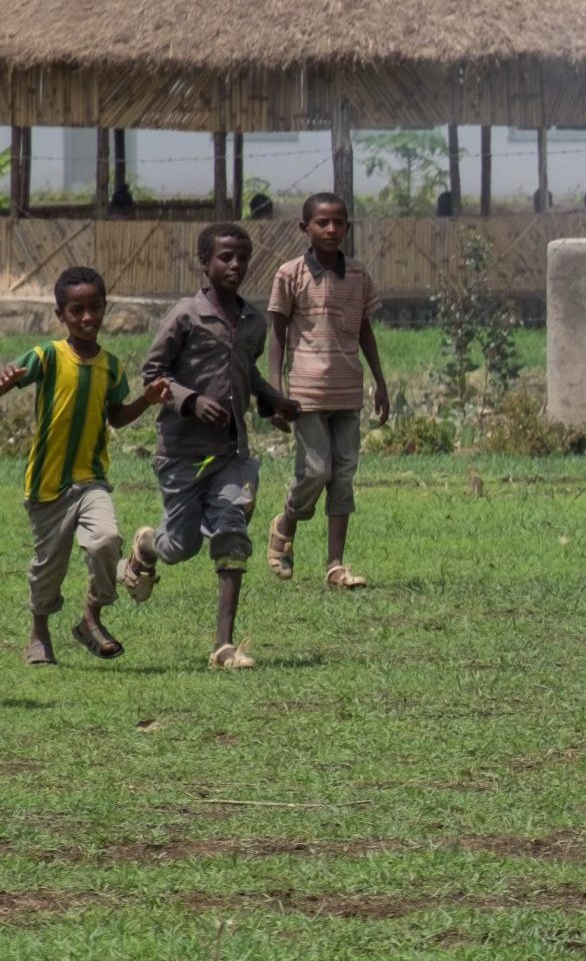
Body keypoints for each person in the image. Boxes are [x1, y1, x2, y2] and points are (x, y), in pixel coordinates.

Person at [124, 223, 303, 669]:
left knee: (231, 531)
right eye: (225, 257)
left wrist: (274, 401)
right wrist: (191, 401)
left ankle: (224, 646)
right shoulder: (186, 316)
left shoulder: (253, 322)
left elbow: (247, 374)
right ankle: (147, 545)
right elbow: (152, 376)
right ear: (205, 262)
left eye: (243, 258)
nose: (235, 265)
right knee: (180, 547)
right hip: (181, 452)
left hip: (230, 454)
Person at [2, 267, 170, 665]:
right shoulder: (46, 356)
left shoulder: (111, 367)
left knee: (105, 541)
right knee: (49, 567)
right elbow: (10, 377)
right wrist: (5, 379)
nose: (87, 317)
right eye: (76, 310)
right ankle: (39, 633)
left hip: (91, 480)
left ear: (105, 308)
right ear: (61, 315)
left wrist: (146, 400)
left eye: (95, 307)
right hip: (47, 486)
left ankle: (91, 617)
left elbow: (116, 417)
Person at [266, 193, 388, 590]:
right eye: (322, 222)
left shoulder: (358, 275)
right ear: (305, 228)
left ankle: (335, 565)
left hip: (347, 390)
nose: (331, 229)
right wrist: (275, 391)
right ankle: (286, 522)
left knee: (343, 476)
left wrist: (381, 382)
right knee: (316, 471)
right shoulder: (290, 274)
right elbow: (277, 332)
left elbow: (365, 330)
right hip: (306, 393)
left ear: (347, 227)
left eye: (339, 222)